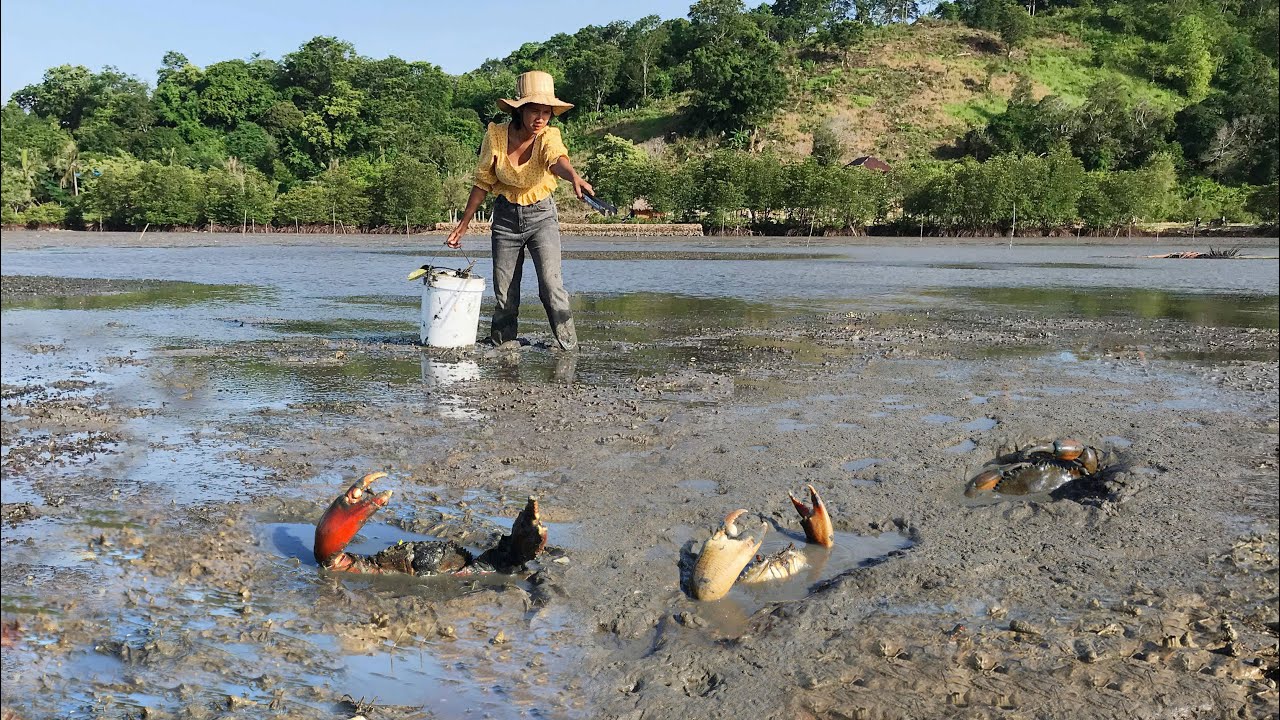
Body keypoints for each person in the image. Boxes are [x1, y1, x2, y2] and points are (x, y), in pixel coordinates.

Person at [446, 70, 592, 351]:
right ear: (520, 110)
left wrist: (573, 175)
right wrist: (462, 225)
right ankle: (503, 349)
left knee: (551, 286)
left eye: (546, 112)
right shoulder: (497, 136)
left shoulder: (549, 136)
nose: (540, 118)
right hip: (505, 219)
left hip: (542, 217)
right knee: (505, 293)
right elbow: (482, 182)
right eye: (534, 111)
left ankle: (569, 348)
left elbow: (556, 159)